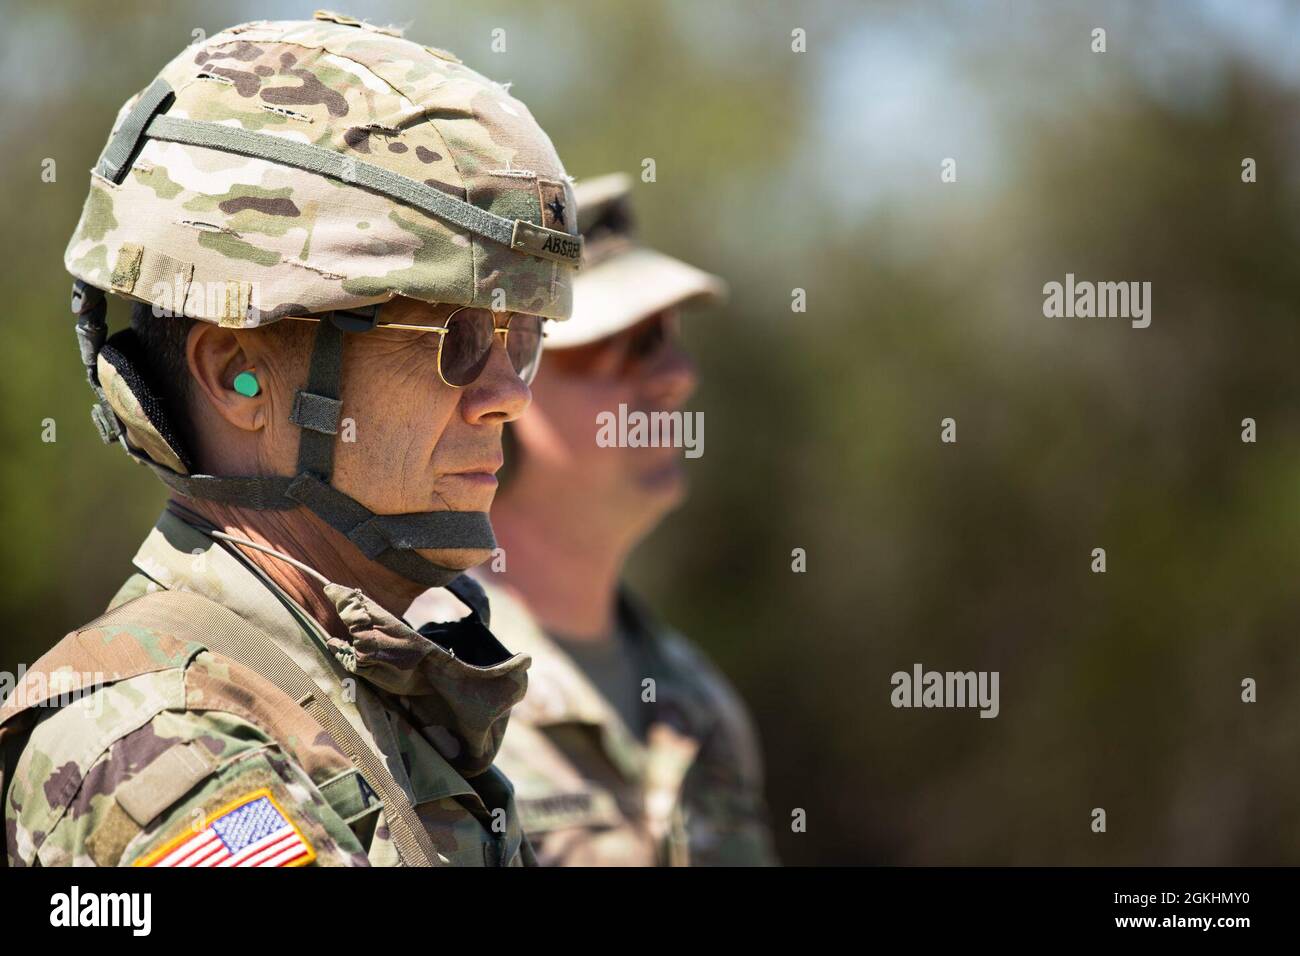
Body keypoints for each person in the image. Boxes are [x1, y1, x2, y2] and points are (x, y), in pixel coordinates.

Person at [0, 11, 585, 867]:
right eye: (455, 340)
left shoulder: (366, 698)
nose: (505, 399)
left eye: (521, 341)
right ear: (240, 375)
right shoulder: (162, 750)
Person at [412, 174, 778, 865]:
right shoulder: (424, 688)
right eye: (627, 343)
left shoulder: (702, 708)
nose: (678, 374)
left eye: (667, 337)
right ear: (500, 382)